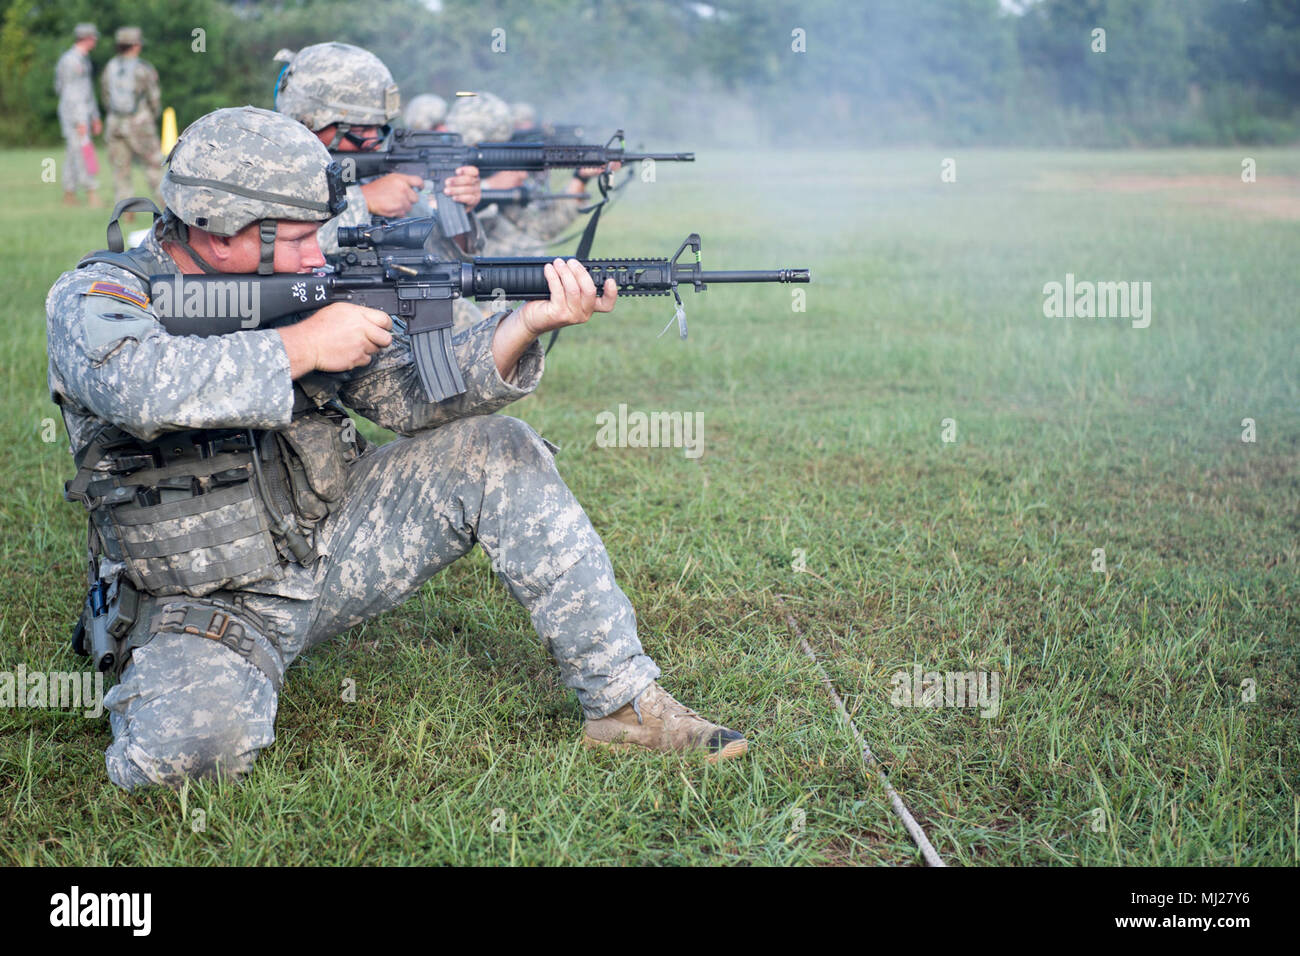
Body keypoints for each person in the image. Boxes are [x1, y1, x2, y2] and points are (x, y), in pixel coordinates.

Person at [46, 106, 748, 791]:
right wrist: (305, 345)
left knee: (495, 448)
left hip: (324, 551)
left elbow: (415, 396)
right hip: (200, 601)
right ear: (223, 230)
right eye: (295, 239)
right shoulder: (100, 296)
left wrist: (526, 323)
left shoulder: (301, 291)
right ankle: (202, 678)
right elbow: (136, 387)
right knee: (190, 761)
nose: (317, 255)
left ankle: (626, 705)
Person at [273, 42, 479, 255]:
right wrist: (363, 201)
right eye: (360, 131)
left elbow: (441, 264)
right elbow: (271, 248)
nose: (374, 141)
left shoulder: (373, 176)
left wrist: (457, 212)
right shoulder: (264, 168)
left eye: (378, 128)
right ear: (307, 122)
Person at [445, 92, 603, 262]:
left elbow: (542, 228)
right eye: (490, 148)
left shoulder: (505, 188)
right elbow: (431, 220)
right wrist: (489, 186)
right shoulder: (435, 170)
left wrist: (580, 179)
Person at [101, 26, 163, 207]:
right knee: (153, 166)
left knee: (121, 171)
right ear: (135, 46)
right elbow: (154, 98)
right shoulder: (143, 68)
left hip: (114, 124)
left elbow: (105, 97)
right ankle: (167, 209)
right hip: (139, 123)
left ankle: (125, 211)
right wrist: (150, 117)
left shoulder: (109, 67)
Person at [54, 22, 102, 207]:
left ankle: (69, 193)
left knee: (74, 153)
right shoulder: (71, 61)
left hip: (83, 112)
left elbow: (87, 91)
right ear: (86, 38)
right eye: (93, 37)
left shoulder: (83, 59)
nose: (96, 40)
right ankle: (92, 193)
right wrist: (80, 120)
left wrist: (94, 116)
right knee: (84, 152)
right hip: (74, 114)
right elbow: (70, 93)